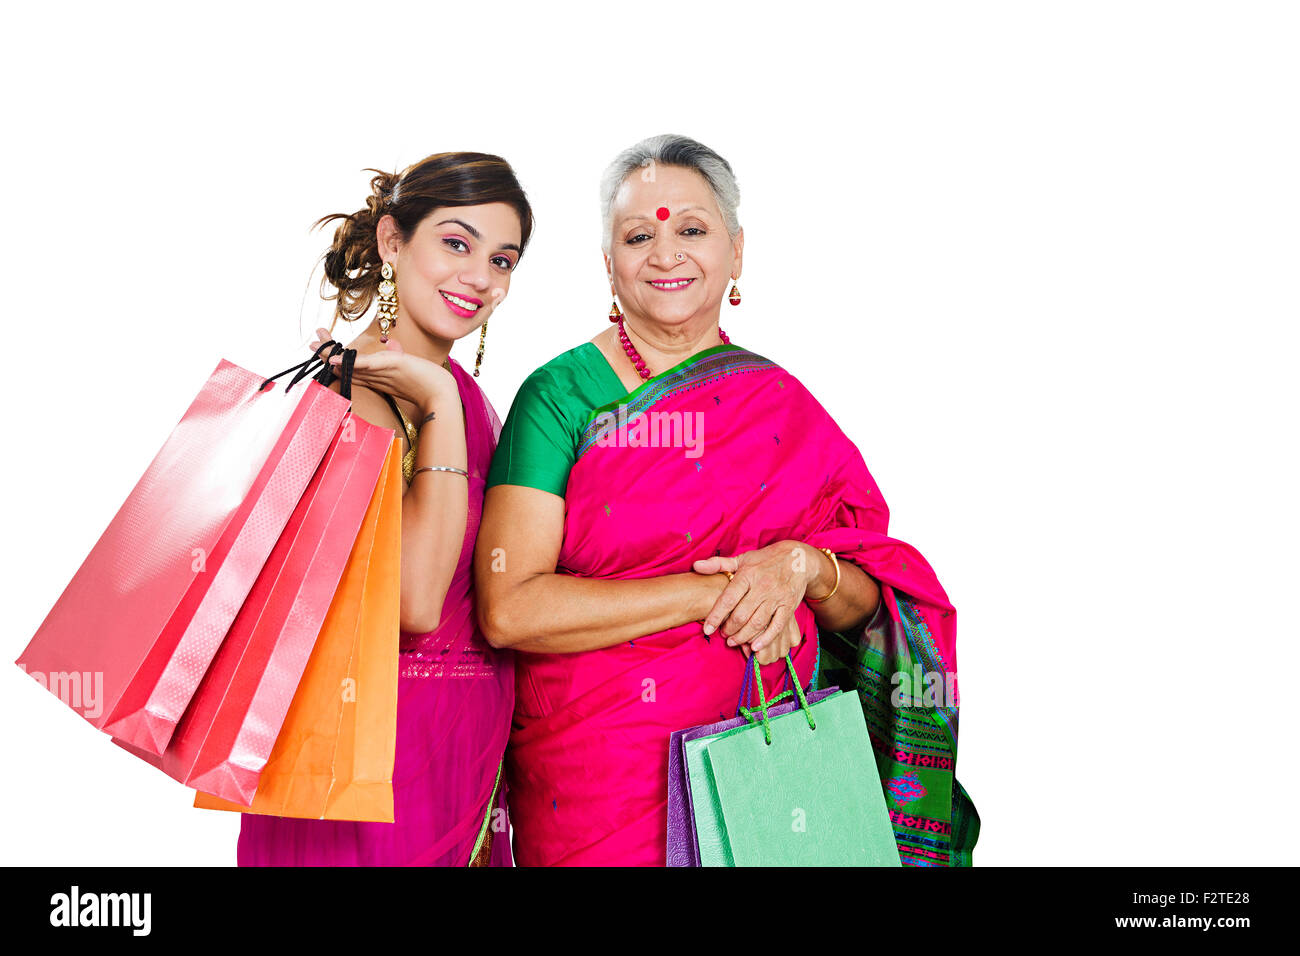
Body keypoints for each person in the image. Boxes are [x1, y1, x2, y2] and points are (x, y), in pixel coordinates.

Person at [475, 134, 978, 866]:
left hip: (775, 774)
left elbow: (874, 610)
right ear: (608, 264)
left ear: (736, 253)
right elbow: (509, 608)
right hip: (598, 787)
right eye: (638, 235)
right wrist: (720, 594)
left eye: (692, 230)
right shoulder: (559, 399)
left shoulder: (780, 406)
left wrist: (803, 569)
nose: (666, 253)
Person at [238, 151, 533, 866]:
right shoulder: (358, 395)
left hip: (462, 758)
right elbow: (414, 602)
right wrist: (431, 401)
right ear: (393, 242)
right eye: (456, 244)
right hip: (373, 776)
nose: (478, 278)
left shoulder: (461, 393)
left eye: (502, 260)